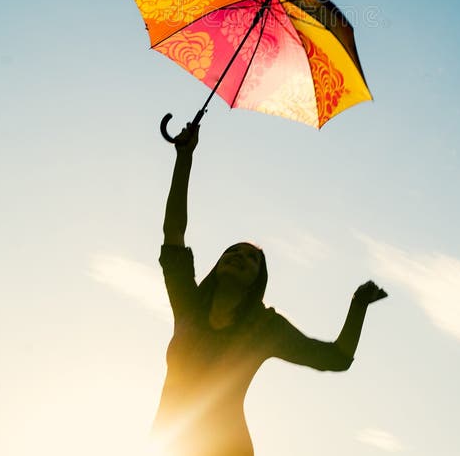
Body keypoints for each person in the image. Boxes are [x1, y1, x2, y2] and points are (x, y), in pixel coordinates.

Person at [152, 122, 387, 456]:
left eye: (251, 258)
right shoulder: (189, 303)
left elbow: (336, 359)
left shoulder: (263, 328)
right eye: (232, 251)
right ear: (217, 266)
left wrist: (358, 305)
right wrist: (184, 156)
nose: (239, 256)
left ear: (256, 282)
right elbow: (173, 230)